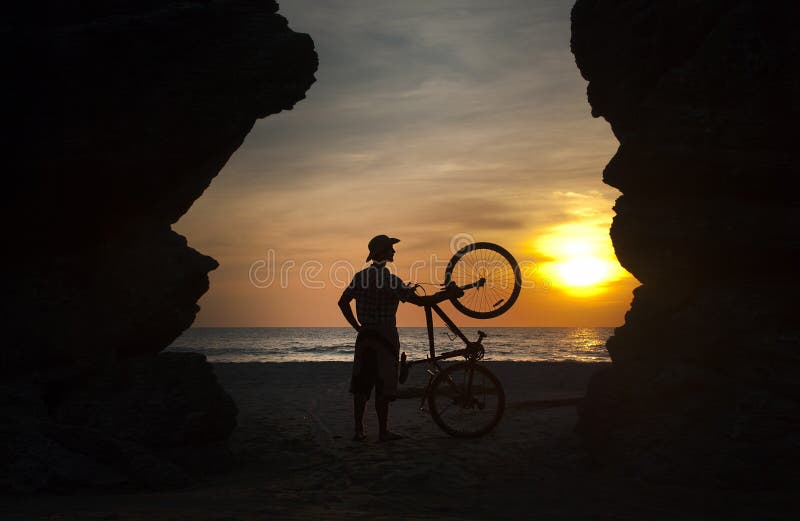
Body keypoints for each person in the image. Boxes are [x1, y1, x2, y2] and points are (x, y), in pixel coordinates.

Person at [338, 234, 463, 442]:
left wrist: (357, 327)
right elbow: (423, 302)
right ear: (383, 252)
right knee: (384, 383)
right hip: (386, 336)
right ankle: (383, 432)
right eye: (390, 248)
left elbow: (342, 302)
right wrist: (448, 294)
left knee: (361, 384)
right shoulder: (391, 281)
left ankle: (359, 431)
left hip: (365, 336)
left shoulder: (360, 277)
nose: (394, 251)